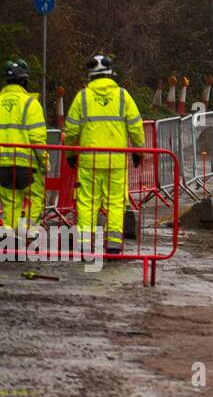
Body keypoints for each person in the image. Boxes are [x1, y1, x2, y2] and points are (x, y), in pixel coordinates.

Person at [62, 55, 145, 255]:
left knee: (87, 201)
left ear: (90, 76)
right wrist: (138, 151)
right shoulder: (123, 96)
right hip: (116, 160)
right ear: (110, 74)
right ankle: (114, 244)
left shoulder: (83, 97)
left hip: (89, 159)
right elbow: (136, 126)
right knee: (116, 202)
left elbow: (71, 130)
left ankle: (83, 244)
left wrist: (70, 154)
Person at [0, 59, 47, 231]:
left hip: (2, 164)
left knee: (10, 202)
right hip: (26, 165)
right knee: (35, 197)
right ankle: (30, 232)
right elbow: (37, 138)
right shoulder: (30, 103)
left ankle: (10, 237)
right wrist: (44, 161)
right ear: (24, 81)